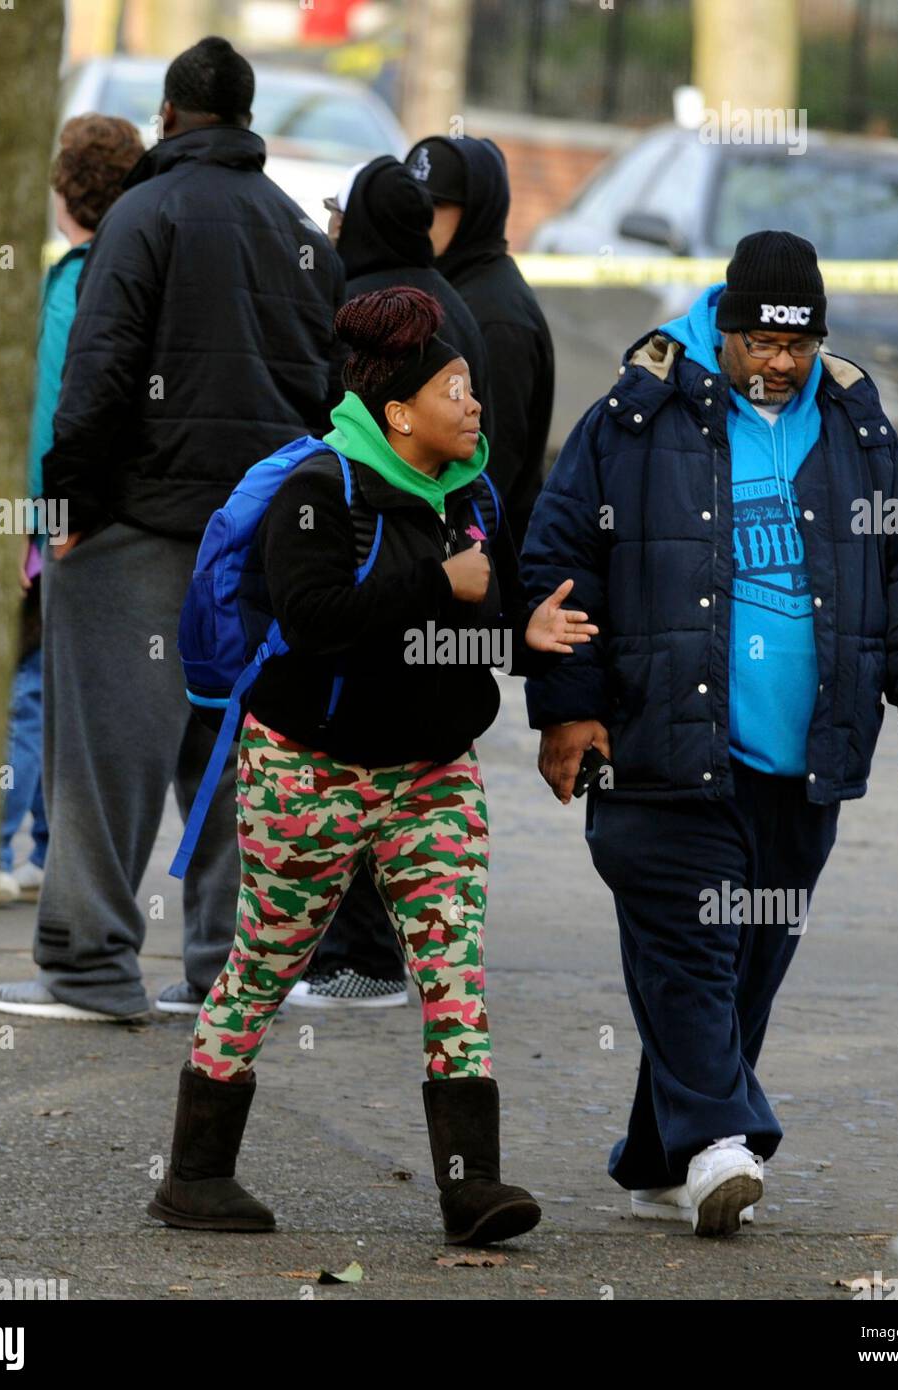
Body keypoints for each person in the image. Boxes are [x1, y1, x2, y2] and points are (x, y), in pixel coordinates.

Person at [522, 230, 898, 1238]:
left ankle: (658, 1155)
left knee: (747, 964)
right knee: (689, 943)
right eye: (760, 344)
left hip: (803, 755)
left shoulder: (857, 431)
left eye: (797, 345)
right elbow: (559, 561)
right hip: (659, 742)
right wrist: (569, 704)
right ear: (722, 327)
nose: (778, 364)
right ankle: (726, 1139)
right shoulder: (636, 419)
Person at [147, 286, 596, 1245]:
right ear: (399, 410)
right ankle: (194, 1176)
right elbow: (314, 624)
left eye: (473, 387)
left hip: (433, 774)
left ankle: (472, 1189)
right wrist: (438, 581)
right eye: (456, 388)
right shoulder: (323, 489)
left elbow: (476, 624)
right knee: (265, 962)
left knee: (453, 972)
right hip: (312, 770)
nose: (476, 406)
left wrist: (524, 631)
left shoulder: (471, 493)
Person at [0, 36, 343, 1023]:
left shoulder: (142, 213)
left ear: (169, 116)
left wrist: (68, 503)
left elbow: (96, 379)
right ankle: (222, 971)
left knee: (102, 756)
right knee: (229, 756)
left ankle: (90, 964)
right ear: (248, 113)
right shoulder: (299, 233)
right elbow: (328, 394)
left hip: (138, 529)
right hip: (259, 538)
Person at [290, 154, 496, 1008]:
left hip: (390, 659)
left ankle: (360, 958)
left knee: (369, 788)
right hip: (447, 603)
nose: (470, 403)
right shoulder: (458, 307)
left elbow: (319, 610)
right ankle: (379, 952)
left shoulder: (370, 322)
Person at [0, 115, 144, 910]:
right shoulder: (132, 268)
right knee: (73, 695)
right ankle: (52, 851)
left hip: (58, 520)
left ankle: (2, 847)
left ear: (65, 190)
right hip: (107, 519)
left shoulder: (72, 280)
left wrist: (33, 518)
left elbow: (55, 407)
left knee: (28, 687)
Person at [405, 135, 554, 543]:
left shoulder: (498, 317)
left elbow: (493, 467)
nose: (419, 215)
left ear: (475, 213)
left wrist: (462, 551)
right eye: (412, 199)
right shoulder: (447, 285)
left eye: (435, 205)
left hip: (481, 555)